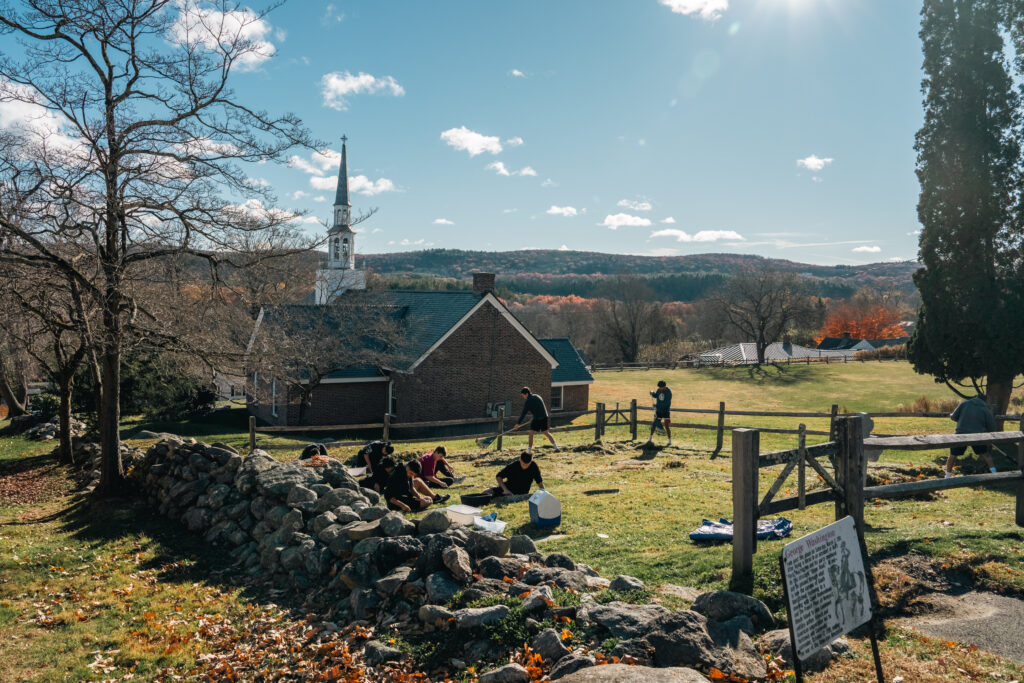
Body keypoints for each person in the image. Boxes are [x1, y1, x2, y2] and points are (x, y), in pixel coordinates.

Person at [946, 395, 998, 478]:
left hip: (961, 433)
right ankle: (995, 474)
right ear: (985, 401)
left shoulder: (964, 404)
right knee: (986, 454)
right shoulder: (985, 409)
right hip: (977, 435)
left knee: (953, 455)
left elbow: (953, 416)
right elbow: (991, 427)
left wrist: (960, 419)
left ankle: (947, 476)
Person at [385, 460, 450, 512]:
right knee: (427, 502)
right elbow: (389, 497)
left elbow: (411, 487)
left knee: (428, 498)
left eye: (413, 474)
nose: (411, 475)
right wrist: (403, 505)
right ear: (407, 467)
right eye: (411, 473)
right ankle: (412, 508)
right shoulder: (395, 477)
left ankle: (435, 497)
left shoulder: (407, 470)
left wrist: (420, 497)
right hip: (397, 502)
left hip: (405, 494)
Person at [515, 387, 559, 453]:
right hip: (544, 417)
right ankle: (556, 448)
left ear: (526, 394)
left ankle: (529, 451)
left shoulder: (528, 401)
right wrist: (534, 417)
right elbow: (539, 408)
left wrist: (518, 424)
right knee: (546, 433)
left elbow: (523, 414)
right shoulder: (537, 396)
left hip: (537, 418)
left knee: (531, 433)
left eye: (523, 395)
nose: (522, 397)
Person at [646, 380, 672, 446]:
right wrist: (652, 393)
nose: (660, 389)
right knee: (654, 424)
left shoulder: (669, 392)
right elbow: (656, 396)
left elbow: (666, 403)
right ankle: (650, 438)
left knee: (666, 426)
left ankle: (669, 441)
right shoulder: (659, 390)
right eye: (659, 387)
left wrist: (656, 405)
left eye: (661, 387)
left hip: (665, 411)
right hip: (659, 411)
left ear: (665, 386)